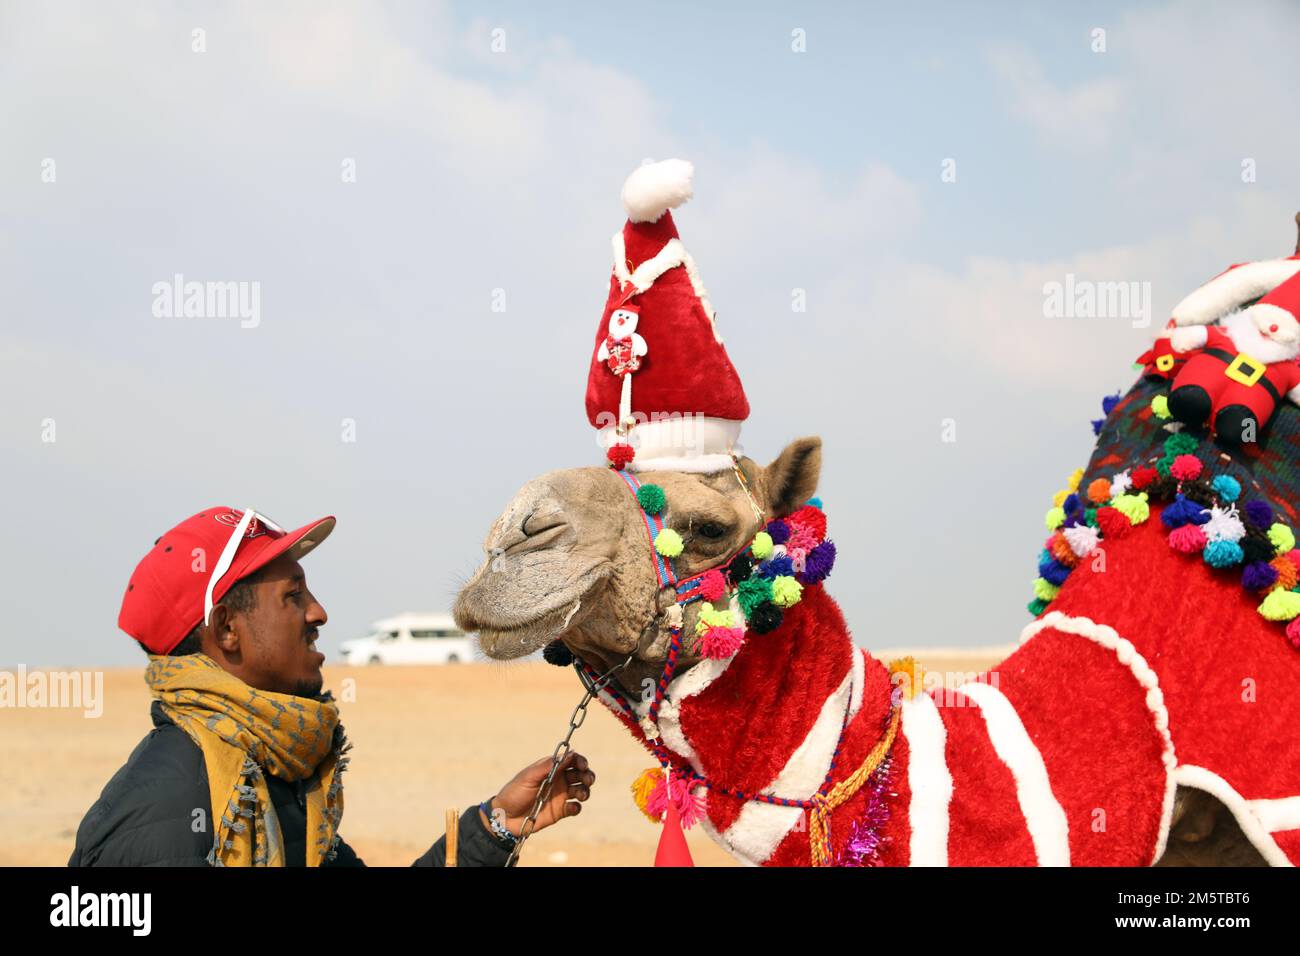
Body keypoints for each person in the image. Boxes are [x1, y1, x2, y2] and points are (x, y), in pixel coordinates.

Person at [69, 505, 594, 867]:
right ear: (227, 629)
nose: (318, 612)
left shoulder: (270, 770)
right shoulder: (170, 805)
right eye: (293, 596)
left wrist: (496, 824)